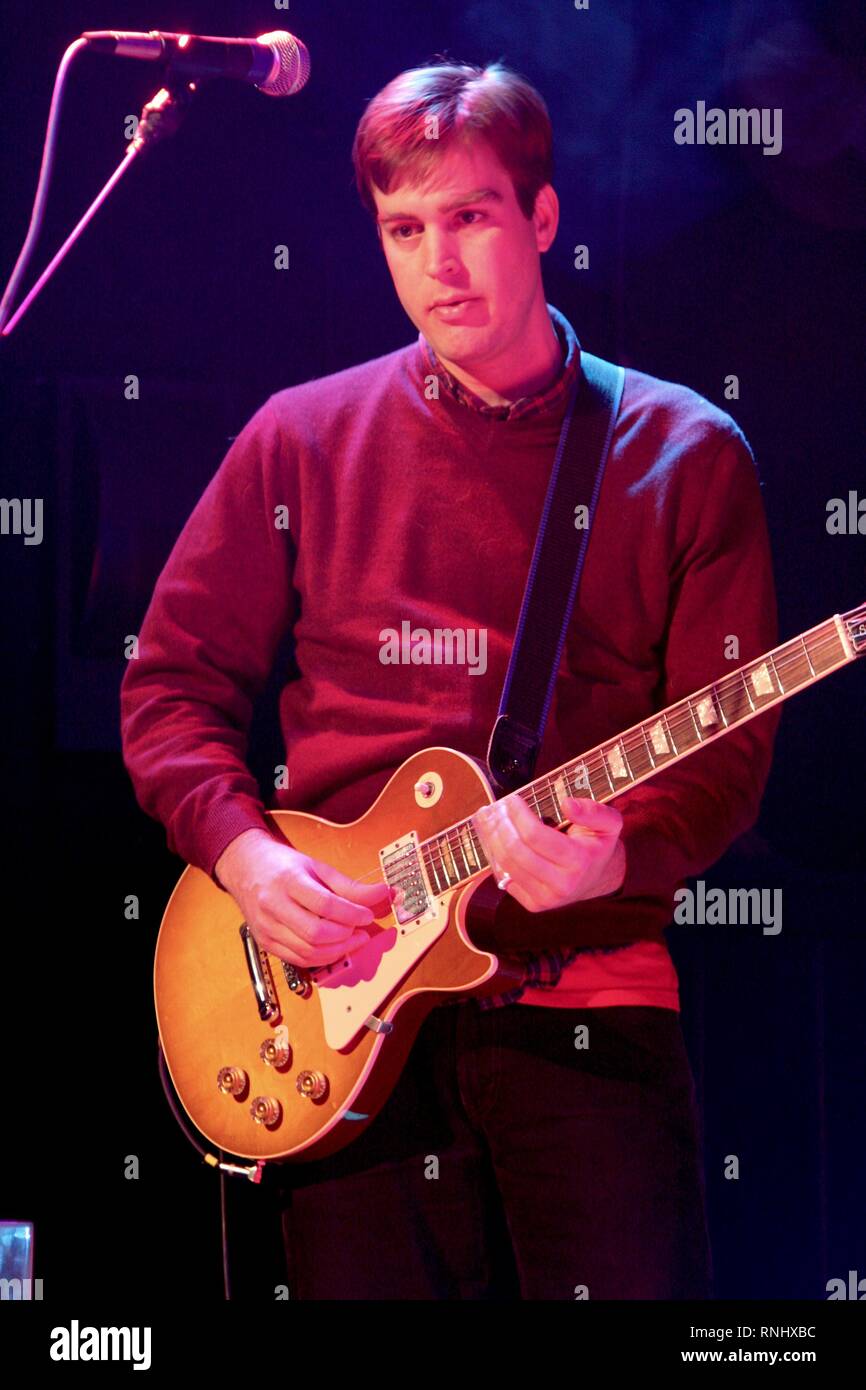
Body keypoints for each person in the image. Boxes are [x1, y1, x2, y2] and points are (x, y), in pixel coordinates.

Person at [120, 59, 781, 1299]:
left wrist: (619, 852)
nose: (438, 262)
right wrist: (249, 860)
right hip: (331, 1005)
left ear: (539, 218)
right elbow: (168, 688)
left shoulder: (682, 453)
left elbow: (725, 756)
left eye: (470, 217)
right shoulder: (299, 438)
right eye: (403, 229)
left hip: (585, 1007)